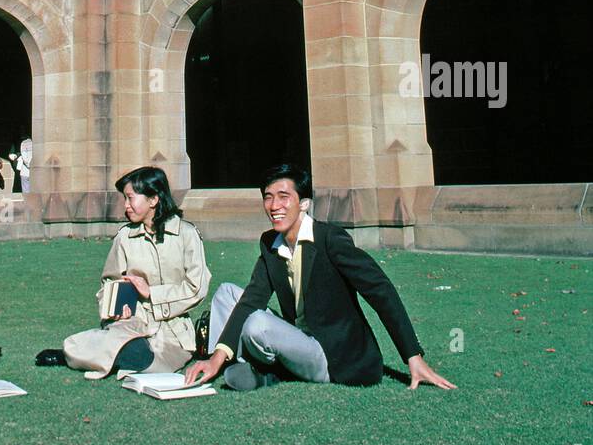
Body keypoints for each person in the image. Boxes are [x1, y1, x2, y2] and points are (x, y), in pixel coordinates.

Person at [185, 163, 456, 393]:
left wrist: (413, 356)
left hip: (330, 355)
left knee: (257, 324)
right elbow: (251, 298)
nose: (274, 205)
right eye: (268, 197)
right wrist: (217, 358)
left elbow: (380, 291)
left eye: (283, 196)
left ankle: (268, 370)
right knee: (227, 293)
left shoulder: (330, 240)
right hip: (295, 336)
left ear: (304, 203)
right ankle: (231, 365)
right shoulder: (270, 242)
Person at [37, 166, 210, 378]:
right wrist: (113, 308)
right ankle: (99, 351)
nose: (126, 206)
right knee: (119, 339)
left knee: (153, 362)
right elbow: (109, 283)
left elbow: (197, 288)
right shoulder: (124, 237)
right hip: (132, 323)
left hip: (173, 332)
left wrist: (152, 294)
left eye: (130, 198)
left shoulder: (187, 234)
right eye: (124, 199)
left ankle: (93, 354)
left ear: (153, 199)